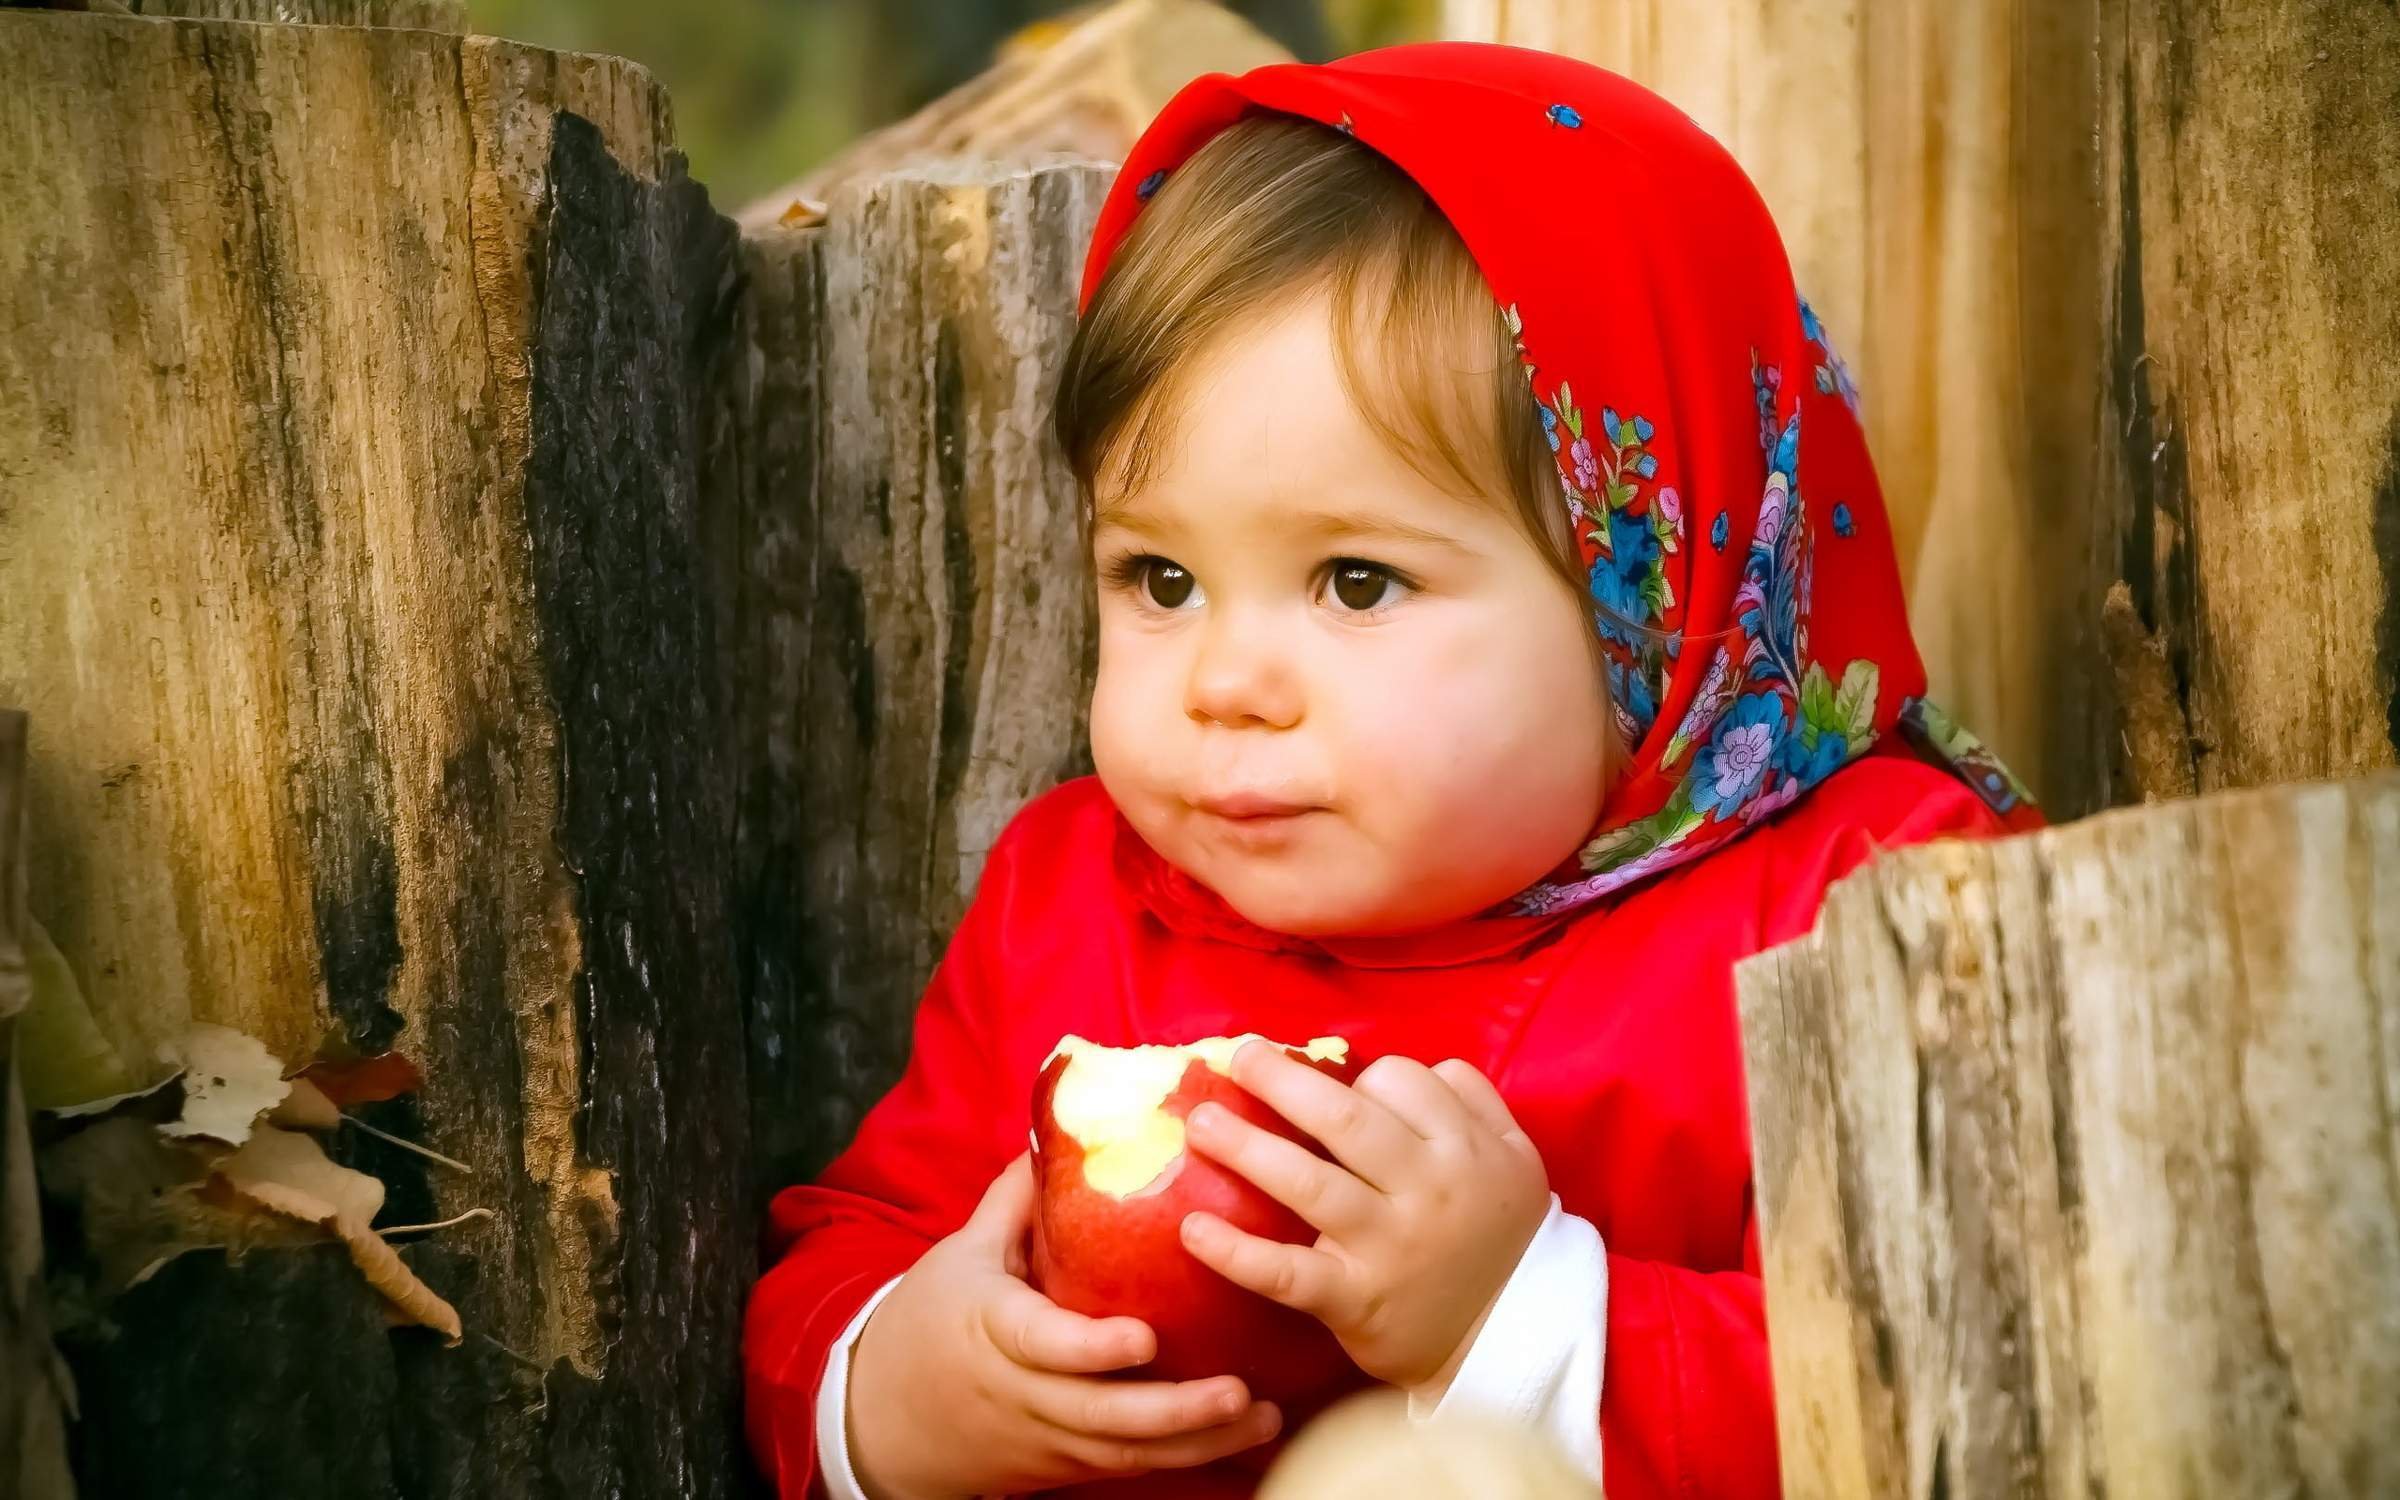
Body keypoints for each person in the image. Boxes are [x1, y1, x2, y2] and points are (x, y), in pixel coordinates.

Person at [742, 41, 2039, 1500]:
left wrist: (1523, 1323)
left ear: (1658, 605)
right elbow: (854, 1240)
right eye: (1161, 578)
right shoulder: (1079, 905)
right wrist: (894, 1385)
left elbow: (1992, 1380)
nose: (1227, 684)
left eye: (1356, 582)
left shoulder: (1861, 913)